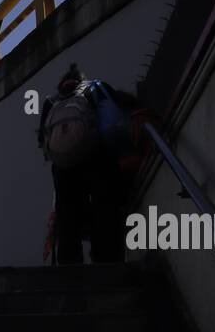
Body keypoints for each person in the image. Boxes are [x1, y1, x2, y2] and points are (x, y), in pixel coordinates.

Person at [38, 63, 139, 265]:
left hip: (63, 167)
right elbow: (117, 114)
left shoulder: (51, 101)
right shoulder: (95, 87)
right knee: (104, 207)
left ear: (62, 83)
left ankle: (70, 267)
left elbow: (42, 140)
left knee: (67, 215)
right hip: (97, 157)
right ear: (81, 79)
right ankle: (105, 261)